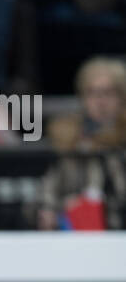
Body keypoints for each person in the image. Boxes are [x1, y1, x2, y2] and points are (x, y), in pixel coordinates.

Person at [37, 57, 126, 230]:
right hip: (74, 238)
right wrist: (53, 210)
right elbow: (47, 192)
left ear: (121, 97)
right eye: (92, 93)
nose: (100, 102)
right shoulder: (68, 142)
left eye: (108, 93)